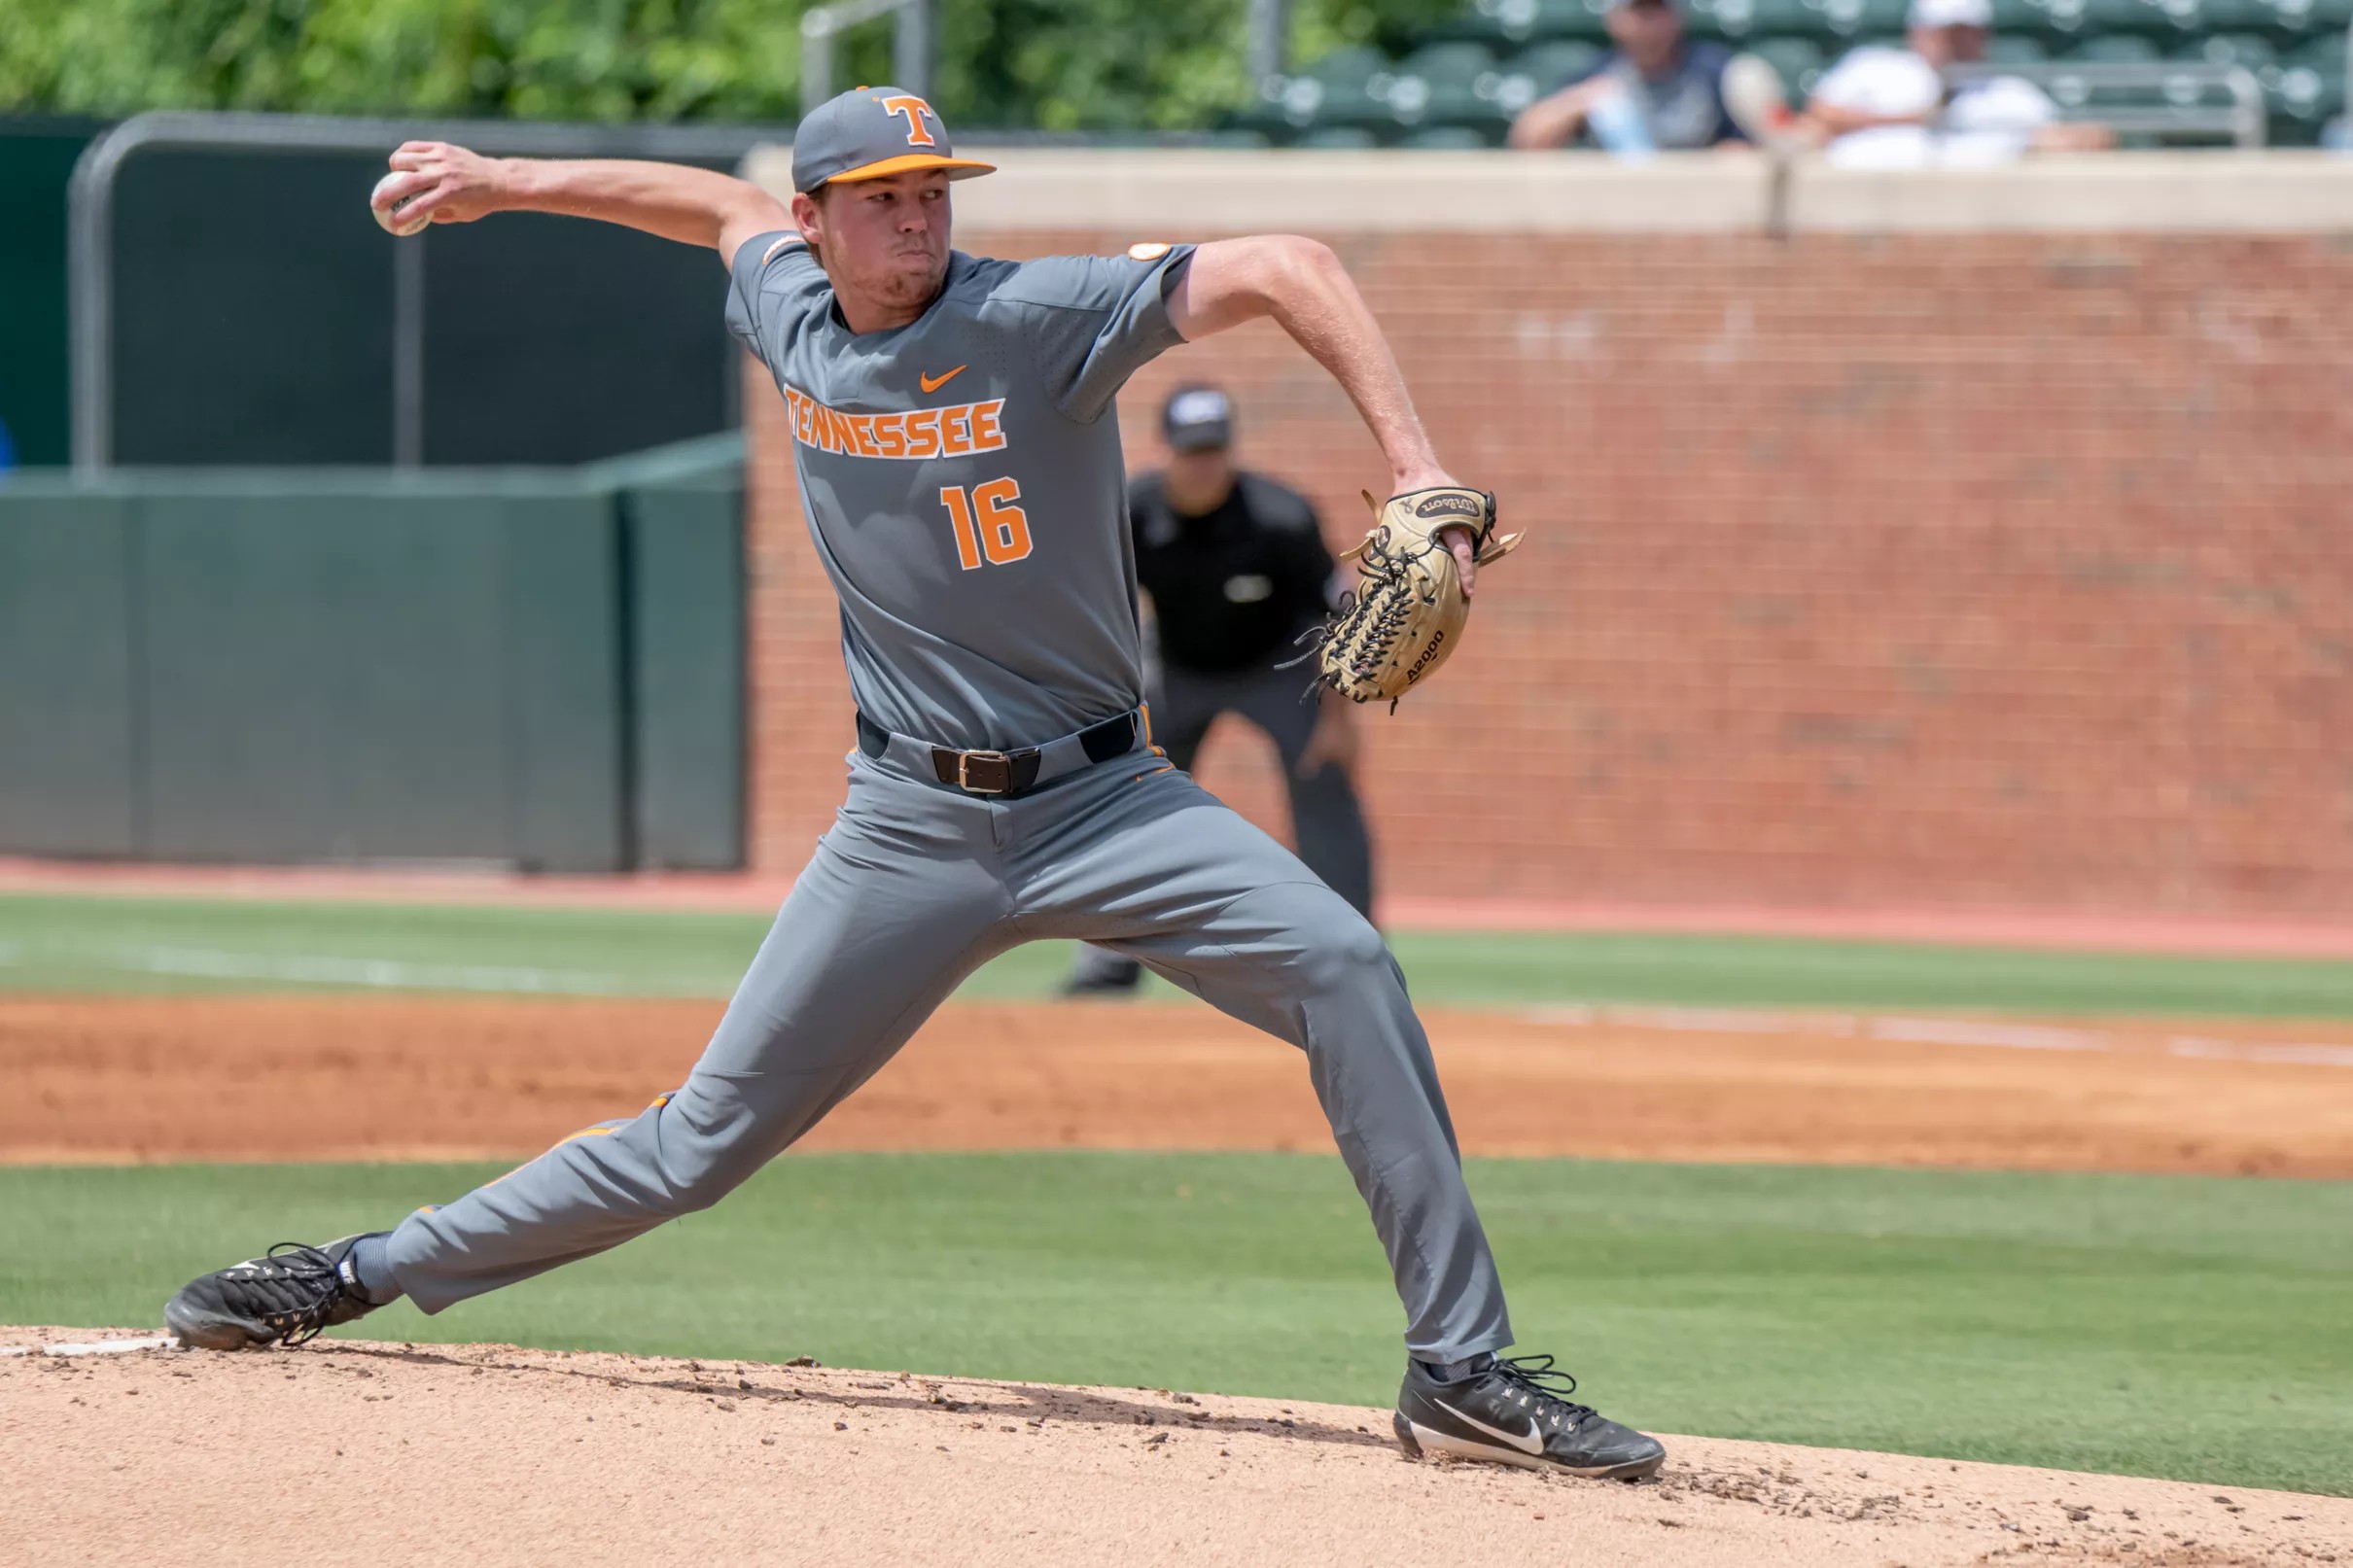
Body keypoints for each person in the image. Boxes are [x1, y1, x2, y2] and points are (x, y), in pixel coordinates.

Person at [160, 87, 1667, 1482]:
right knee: (700, 1142)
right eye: (881, 196)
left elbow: (1291, 261)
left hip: (1108, 805)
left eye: (933, 189)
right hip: (909, 828)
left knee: (1343, 960)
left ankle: (1457, 1366)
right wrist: (505, 182)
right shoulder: (789, 307)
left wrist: (1416, 474)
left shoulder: (1042, 315)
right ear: (820, 220)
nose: (920, 218)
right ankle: (354, 1271)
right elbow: (709, 204)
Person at [1062, 383, 1375, 998]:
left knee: (1325, 781)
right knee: (1121, 796)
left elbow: (1341, 614)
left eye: (1213, 451)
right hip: (1178, 669)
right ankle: (1108, 966)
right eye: (1190, 451)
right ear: (1167, 451)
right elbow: (1095, 607)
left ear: (1230, 450)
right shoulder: (1134, 512)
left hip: (1281, 668)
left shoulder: (1280, 516)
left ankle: (1355, 955)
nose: (1203, 465)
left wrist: (1338, 720)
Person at [1806, 0, 2115, 167]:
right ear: (1919, 31)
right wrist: (1907, 119)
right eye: (1946, 32)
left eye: (1965, 32)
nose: (1955, 43)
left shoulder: (2007, 92)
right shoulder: (1875, 66)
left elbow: (2073, 136)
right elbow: (1819, 115)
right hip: (1868, 206)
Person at [1507, 0, 1769, 155]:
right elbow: (1527, 139)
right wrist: (1579, 102)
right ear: (1616, 20)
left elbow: (1750, 147)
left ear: (1676, 18)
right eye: (1639, 13)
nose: (1649, 27)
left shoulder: (1712, 71)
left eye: (1657, 12)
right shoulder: (1600, 74)